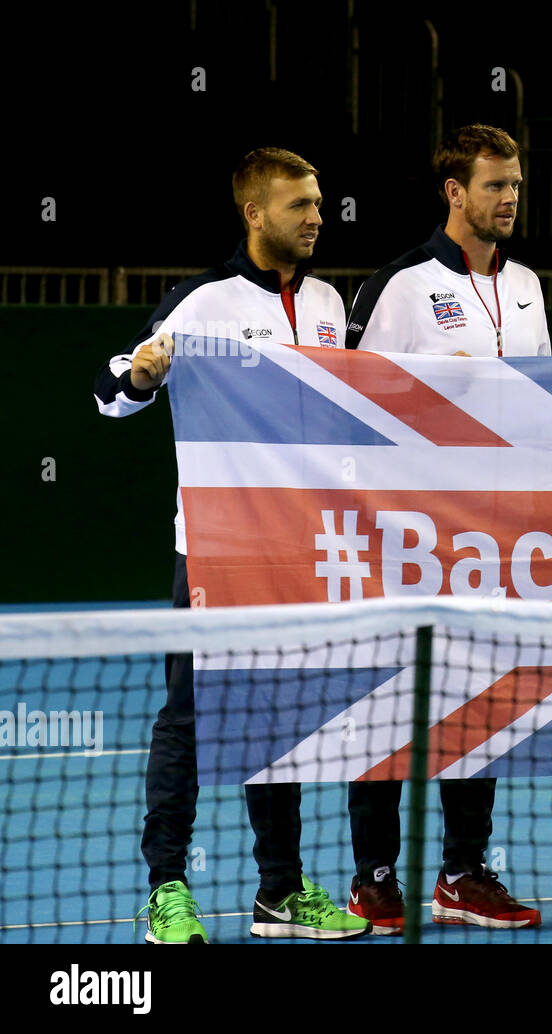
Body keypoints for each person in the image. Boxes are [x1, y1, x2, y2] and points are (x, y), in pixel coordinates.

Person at [95, 147, 373, 941]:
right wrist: (146, 376)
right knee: (187, 718)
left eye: (319, 203)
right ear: (255, 214)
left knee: (278, 720)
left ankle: (280, 892)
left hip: (304, 550)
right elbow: (113, 392)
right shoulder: (201, 303)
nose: (317, 216)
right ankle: (168, 891)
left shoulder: (328, 301)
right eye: (300, 206)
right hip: (216, 553)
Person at [344, 124, 545, 929]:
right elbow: (352, 409)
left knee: (482, 708)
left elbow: (548, 398)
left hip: (499, 543)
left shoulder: (529, 284)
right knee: (389, 709)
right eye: (495, 185)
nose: (510, 199)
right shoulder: (398, 288)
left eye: (517, 185)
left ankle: (464, 873)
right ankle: (374, 875)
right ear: (455, 192)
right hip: (408, 542)